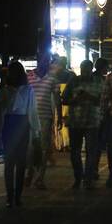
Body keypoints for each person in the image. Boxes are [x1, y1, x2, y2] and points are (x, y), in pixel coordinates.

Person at [0, 60, 40, 208]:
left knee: (20, 163)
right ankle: (11, 196)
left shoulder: (27, 90)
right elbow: (0, 111)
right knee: (10, 163)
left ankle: (17, 196)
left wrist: (36, 133)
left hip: (20, 125)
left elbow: (32, 112)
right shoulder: (5, 90)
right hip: (11, 125)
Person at [65, 59, 105, 189]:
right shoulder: (73, 81)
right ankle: (78, 177)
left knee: (91, 151)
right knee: (75, 152)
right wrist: (75, 100)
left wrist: (89, 97)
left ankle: (87, 178)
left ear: (91, 69)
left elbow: (104, 101)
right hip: (76, 121)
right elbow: (64, 99)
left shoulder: (99, 82)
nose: (84, 72)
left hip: (92, 122)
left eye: (87, 70)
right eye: (82, 70)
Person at [29, 60, 63, 189]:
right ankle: (31, 172)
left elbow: (57, 98)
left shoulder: (52, 79)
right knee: (30, 148)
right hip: (29, 117)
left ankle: (39, 178)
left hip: (45, 117)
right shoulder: (29, 77)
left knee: (43, 148)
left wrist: (58, 117)